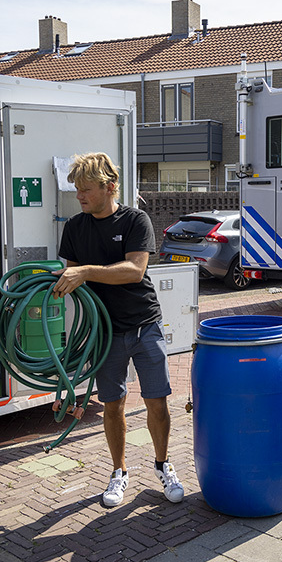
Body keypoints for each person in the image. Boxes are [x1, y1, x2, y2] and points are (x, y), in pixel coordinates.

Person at [51, 152, 184, 508]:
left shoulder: (135, 219)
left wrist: (85, 272)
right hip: (104, 333)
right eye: (77, 189)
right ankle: (119, 472)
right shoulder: (75, 227)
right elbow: (73, 277)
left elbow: (134, 270)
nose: (79, 196)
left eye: (87, 189)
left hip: (144, 326)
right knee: (113, 405)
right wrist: (61, 279)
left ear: (110, 187)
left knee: (156, 401)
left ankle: (162, 465)